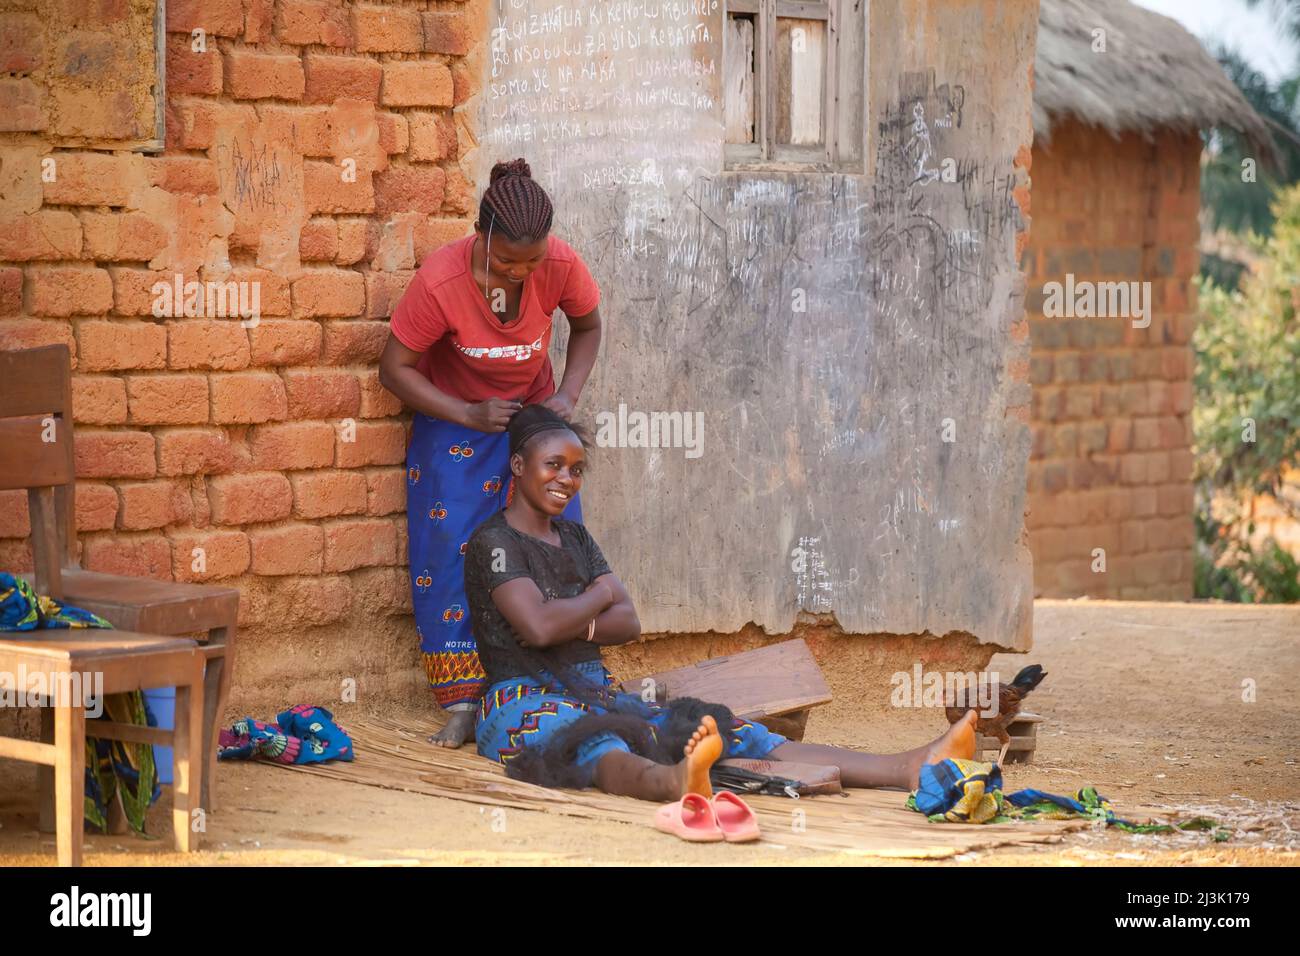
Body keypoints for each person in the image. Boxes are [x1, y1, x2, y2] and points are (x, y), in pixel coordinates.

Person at [464, 405, 980, 801]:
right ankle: (673, 783)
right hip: (521, 698)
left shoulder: (575, 537)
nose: (565, 479)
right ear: (518, 464)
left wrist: (574, 617)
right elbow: (536, 628)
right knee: (596, 742)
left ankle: (907, 767)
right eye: (553, 465)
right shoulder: (496, 543)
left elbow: (629, 622)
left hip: (598, 692)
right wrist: (597, 597)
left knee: (735, 730)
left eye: (576, 470)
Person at [379, 158, 603, 747]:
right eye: (507, 261)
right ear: (482, 237)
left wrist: (567, 394)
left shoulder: (559, 264)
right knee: (453, 550)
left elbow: (587, 325)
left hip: (529, 418)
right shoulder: (441, 281)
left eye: (532, 260)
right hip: (454, 419)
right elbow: (393, 369)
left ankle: (568, 681)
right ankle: (463, 700)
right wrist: (468, 414)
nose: (522, 272)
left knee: (555, 541)